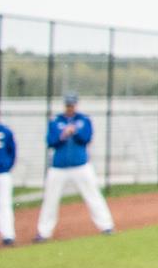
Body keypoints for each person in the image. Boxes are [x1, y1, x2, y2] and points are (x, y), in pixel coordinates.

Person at [38, 93, 116, 241]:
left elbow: (87, 138)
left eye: (72, 105)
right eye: (68, 105)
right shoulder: (56, 121)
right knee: (50, 199)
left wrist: (75, 132)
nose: (70, 107)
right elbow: (50, 141)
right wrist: (63, 134)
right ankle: (43, 232)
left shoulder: (83, 120)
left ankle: (106, 226)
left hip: (80, 165)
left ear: (76, 105)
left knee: (93, 195)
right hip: (58, 167)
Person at [0, 118, 16, 246]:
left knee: (4, 204)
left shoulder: (6, 131)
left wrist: (7, 166)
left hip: (3, 173)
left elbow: (13, 151)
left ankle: (8, 235)